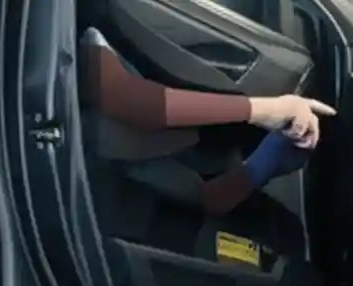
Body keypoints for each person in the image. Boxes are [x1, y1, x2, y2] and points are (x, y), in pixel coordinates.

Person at [80, 26, 335, 215]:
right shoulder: (91, 40)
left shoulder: (147, 160)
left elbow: (208, 199)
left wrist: (263, 165)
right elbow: (127, 99)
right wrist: (268, 110)